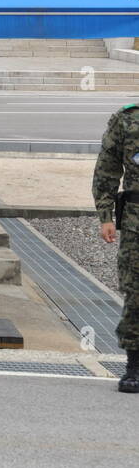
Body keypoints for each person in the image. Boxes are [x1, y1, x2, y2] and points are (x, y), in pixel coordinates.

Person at [90, 103, 139, 393]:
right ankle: (134, 365)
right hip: (136, 219)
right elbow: (107, 170)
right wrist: (105, 216)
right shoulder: (127, 120)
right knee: (136, 293)